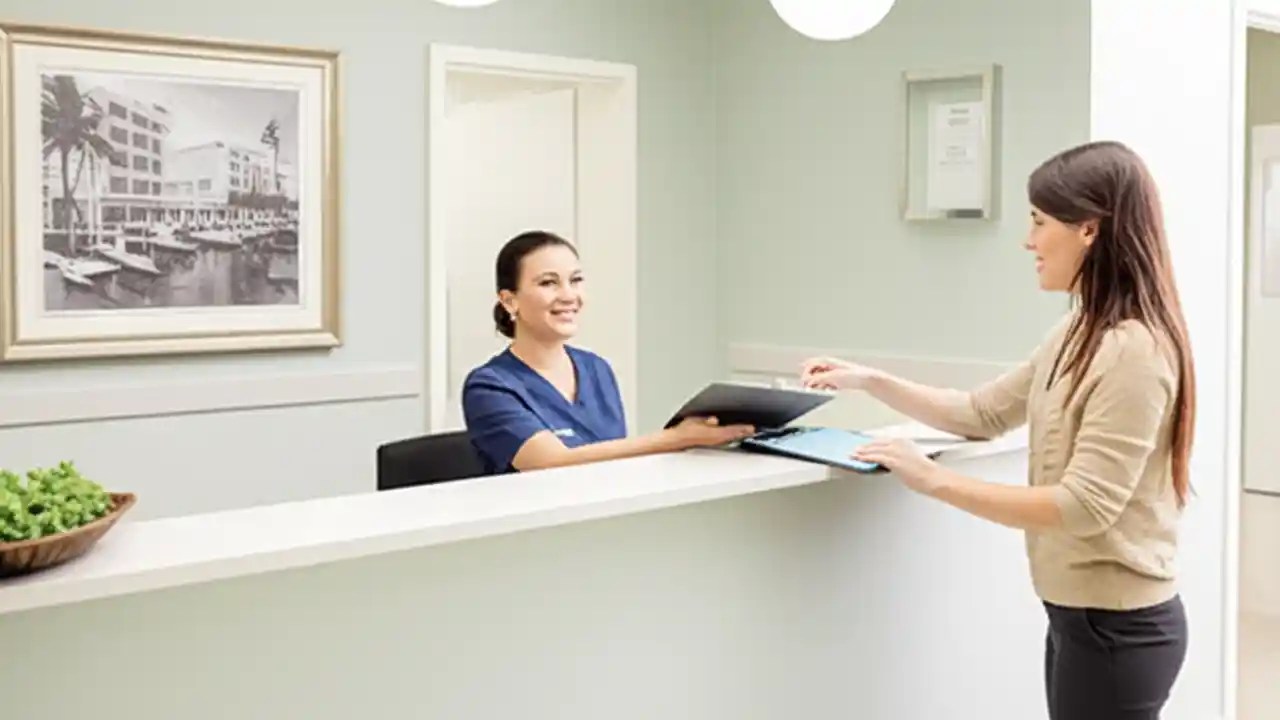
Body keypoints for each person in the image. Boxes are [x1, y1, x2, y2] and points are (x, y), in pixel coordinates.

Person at [801, 141, 1194, 720]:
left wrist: (932, 480)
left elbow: (1085, 505)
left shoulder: (1133, 351)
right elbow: (981, 414)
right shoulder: (1077, 332)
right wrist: (869, 380)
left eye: (1039, 223)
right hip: (1079, 617)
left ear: (1089, 229)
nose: (1028, 242)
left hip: (1118, 630)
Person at [462, 230, 754, 475]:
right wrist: (677, 439)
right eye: (548, 283)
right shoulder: (489, 386)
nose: (568, 295)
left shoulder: (595, 368)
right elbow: (550, 463)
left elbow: (611, 463)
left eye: (575, 280)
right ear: (509, 301)